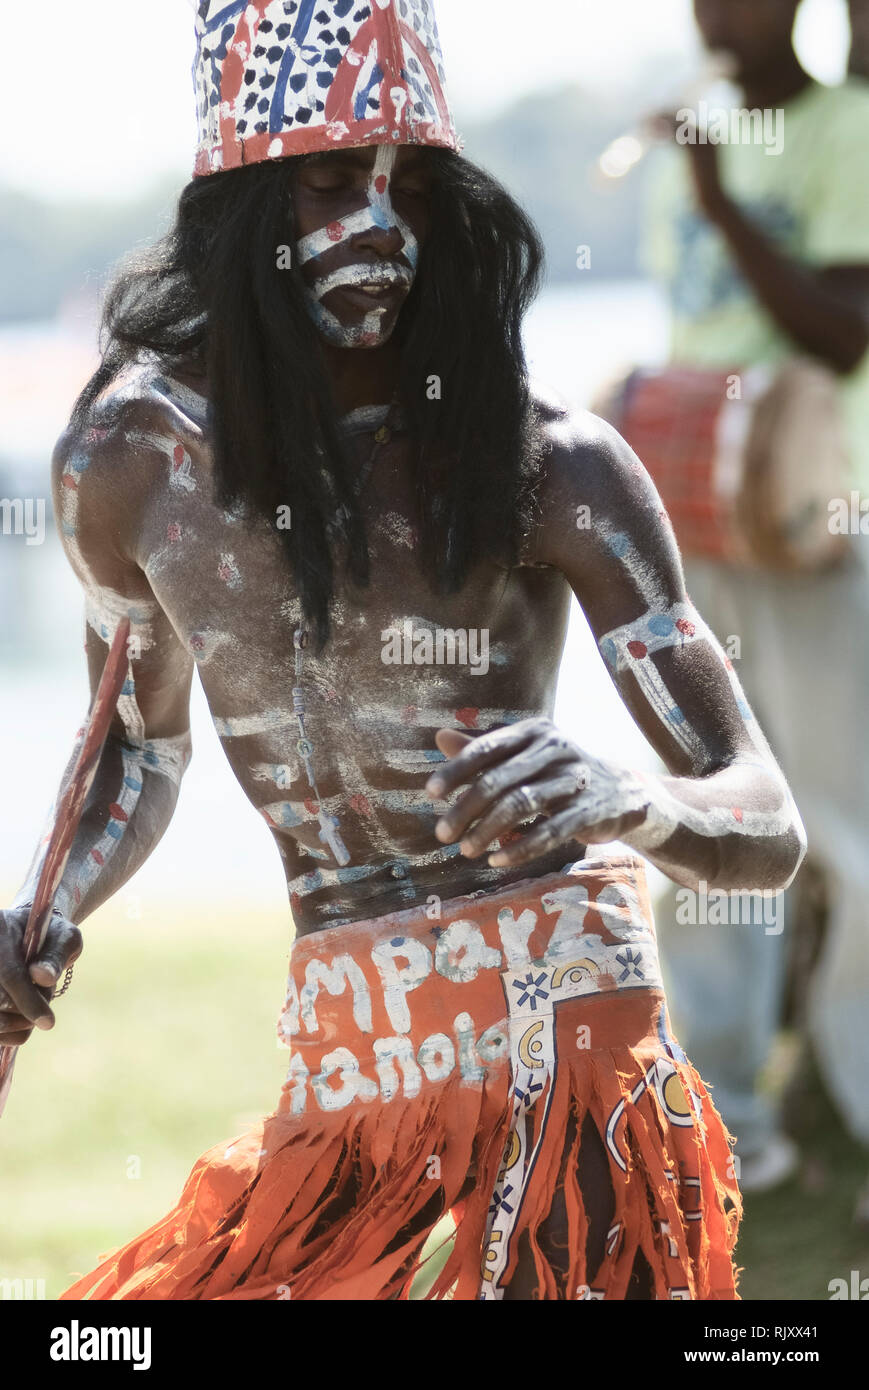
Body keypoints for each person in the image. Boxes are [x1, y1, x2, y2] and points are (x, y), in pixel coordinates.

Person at [0, 0, 804, 1300]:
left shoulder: (555, 465)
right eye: (328, 185)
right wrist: (41, 910)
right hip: (346, 1057)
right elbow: (135, 750)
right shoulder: (131, 464)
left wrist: (633, 798)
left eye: (411, 189)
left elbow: (761, 818)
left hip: (573, 1056)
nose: (378, 229)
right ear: (244, 216)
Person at [645, 0, 869, 1192]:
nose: (715, 13)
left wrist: (720, 193)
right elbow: (695, 338)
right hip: (705, 534)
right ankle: (724, 1119)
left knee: (848, 828)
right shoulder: (691, 135)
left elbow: (837, 333)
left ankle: (854, 1102)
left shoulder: (848, 126)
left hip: (823, 525)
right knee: (714, 825)